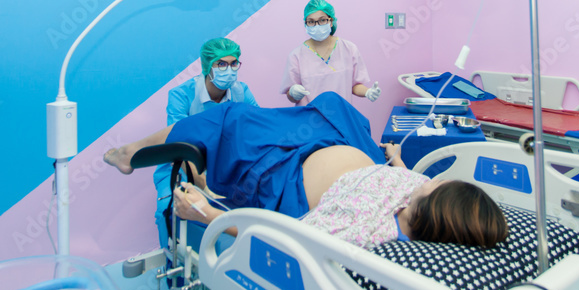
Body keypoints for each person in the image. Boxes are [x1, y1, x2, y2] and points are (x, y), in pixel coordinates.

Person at [104, 92, 507, 250]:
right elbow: (415, 181)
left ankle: (130, 153)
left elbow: (281, 237)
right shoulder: (417, 193)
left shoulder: (363, 233)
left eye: (441, 186)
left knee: (232, 118)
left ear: (431, 210)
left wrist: (207, 214)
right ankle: (212, 157)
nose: (438, 180)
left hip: (291, 175)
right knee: (333, 102)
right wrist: (397, 160)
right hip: (351, 149)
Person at [153, 38, 257, 243]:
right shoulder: (182, 95)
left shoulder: (241, 92)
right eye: (221, 64)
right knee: (170, 209)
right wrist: (206, 186)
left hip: (223, 163)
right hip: (181, 166)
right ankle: (172, 256)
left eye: (234, 63)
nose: (229, 70)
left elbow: (257, 129)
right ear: (208, 66)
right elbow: (179, 145)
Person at [280, 0, 381, 106]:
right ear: (306, 24)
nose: (317, 25)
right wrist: (293, 93)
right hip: (309, 115)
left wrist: (368, 92)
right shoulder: (296, 56)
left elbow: (355, 85)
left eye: (322, 20)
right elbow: (291, 97)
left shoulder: (349, 49)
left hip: (340, 114)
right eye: (311, 22)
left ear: (331, 21)